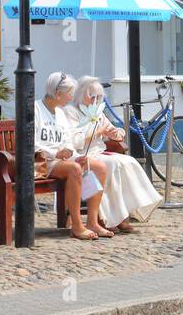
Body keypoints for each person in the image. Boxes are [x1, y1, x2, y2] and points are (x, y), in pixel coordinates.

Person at [68, 76, 162, 233]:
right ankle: (110, 219)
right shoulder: (72, 113)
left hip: (99, 152)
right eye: (93, 97)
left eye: (99, 97)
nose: (96, 100)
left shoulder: (97, 113)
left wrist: (116, 133)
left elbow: (114, 130)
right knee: (112, 165)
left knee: (128, 162)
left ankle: (123, 215)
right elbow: (74, 140)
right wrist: (98, 132)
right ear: (81, 95)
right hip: (81, 154)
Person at [36, 73, 108, 240]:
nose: (71, 97)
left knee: (99, 168)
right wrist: (56, 153)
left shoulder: (60, 113)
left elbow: (67, 141)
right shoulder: (36, 109)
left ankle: (92, 221)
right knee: (75, 169)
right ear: (57, 93)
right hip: (42, 161)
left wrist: (75, 155)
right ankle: (76, 225)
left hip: (61, 160)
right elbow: (31, 144)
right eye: (69, 93)